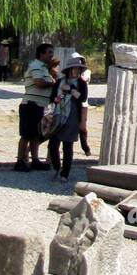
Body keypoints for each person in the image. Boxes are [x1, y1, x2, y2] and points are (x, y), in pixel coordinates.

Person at [46, 54, 90, 182]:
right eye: (74, 68)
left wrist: (71, 90)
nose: (77, 70)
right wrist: (57, 99)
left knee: (67, 146)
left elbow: (83, 98)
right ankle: (56, 167)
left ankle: (65, 173)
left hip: (72, 116)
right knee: (53, 144)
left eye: (79, 68)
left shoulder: (81, 83)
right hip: (58, 115)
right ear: (69, 70)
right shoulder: (60, 81)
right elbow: (52, 98)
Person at [15, 43, 57, 172]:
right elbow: (39, 83)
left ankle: (35, 160)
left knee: (36, 135)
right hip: (31, 105)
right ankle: (20, 161)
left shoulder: (44, 68)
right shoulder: (36, 65)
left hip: (39, 106)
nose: (51, 55)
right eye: (49, 52)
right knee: (26, 135)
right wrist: (54, 83)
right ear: (41, 54)